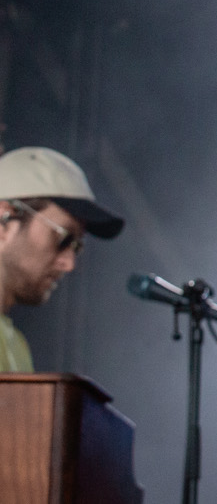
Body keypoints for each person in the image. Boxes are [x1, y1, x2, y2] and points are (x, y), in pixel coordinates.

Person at [0, 146, 125, 373]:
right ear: (4, 220)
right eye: (63, 238)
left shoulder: (16, 345)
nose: (69, 264)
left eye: (77, 246)